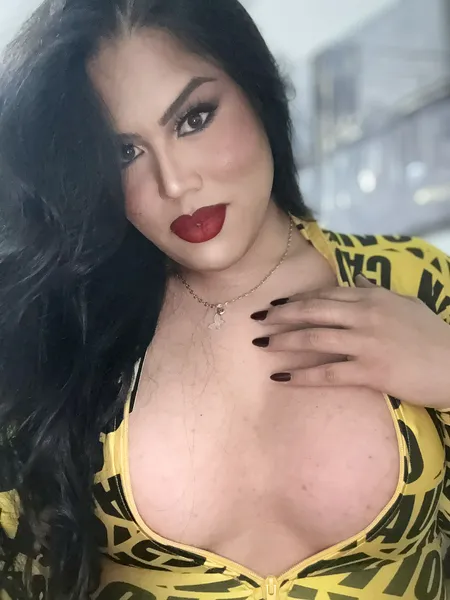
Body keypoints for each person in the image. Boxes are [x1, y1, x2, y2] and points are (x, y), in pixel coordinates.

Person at [1, 0, 450, 598]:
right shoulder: (68, 326)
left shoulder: (415, 281)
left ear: (257, 91)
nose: (175, 182)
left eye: (194, 118)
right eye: (124, 152)